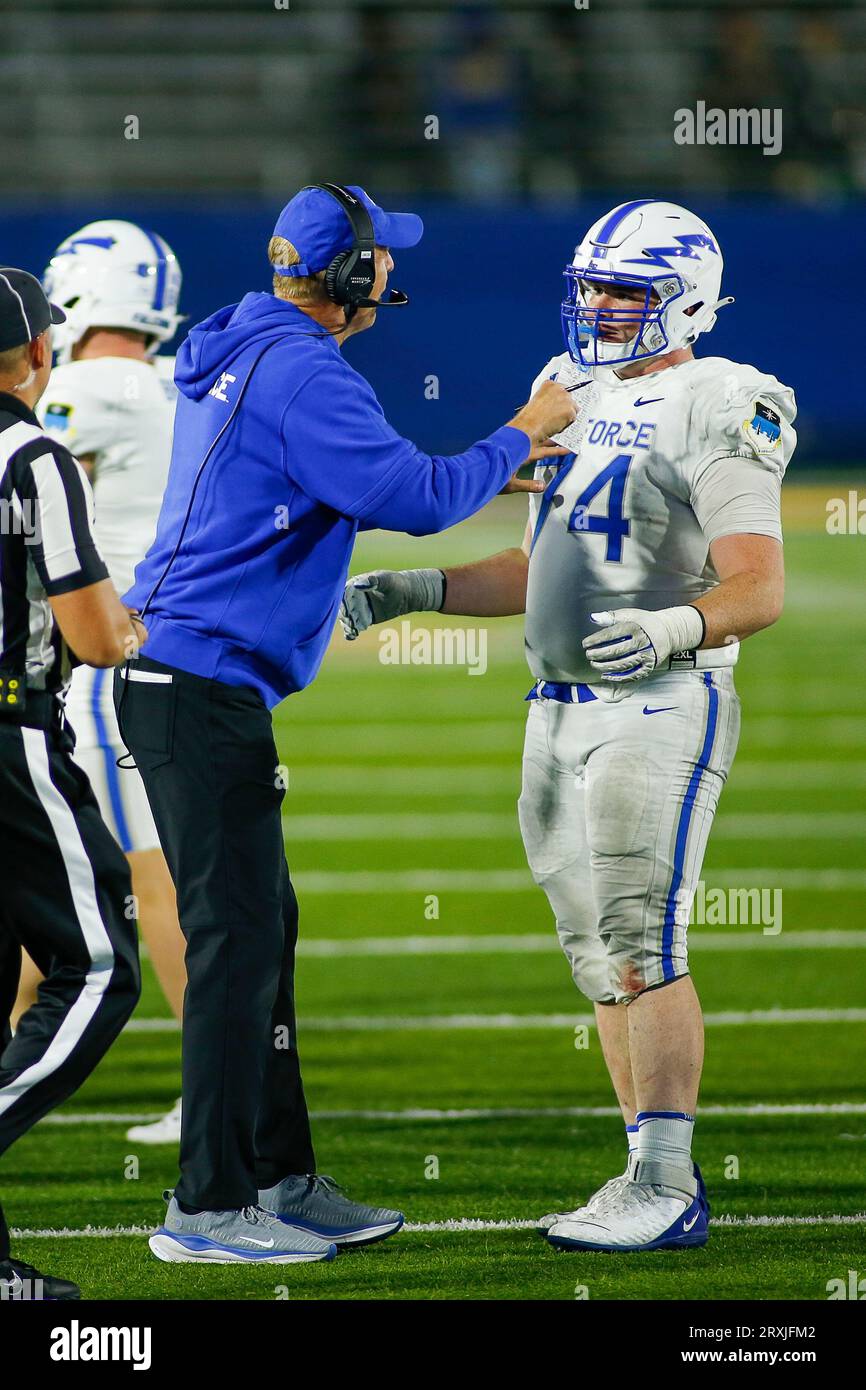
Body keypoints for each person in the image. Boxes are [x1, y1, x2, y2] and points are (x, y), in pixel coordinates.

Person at [116, 182, 575, 1265]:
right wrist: (520, 430)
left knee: (262, 935)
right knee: (236, 949)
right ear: (349, 277)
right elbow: (407, 493)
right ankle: (206, 1207)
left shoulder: (249, 343)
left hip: (192, 681)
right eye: (375, 258)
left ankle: (279, 1174)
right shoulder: (301, 368)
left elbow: (363, 480)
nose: (386, 273)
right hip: (198, 686)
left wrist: (503, 462)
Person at [340, 198, 797, 1254]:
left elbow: (757, 585)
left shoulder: (722, 398)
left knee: (643, 940)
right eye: (589, 286)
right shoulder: (571, 387)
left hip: (657, 706)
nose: (596, 306)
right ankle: (636, 1165)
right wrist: (420, 587)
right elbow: (541, 567)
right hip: (552, 710)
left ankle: (668, 1179)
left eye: (623, 291)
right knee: (595, 953)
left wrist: (678, 623)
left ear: (681, 300)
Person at [10, 222, 188, 1149]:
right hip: (155, 657)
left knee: (147, 886)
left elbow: (33, 521)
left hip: (95, 671)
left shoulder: (80, 392)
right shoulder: (167, 385)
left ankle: (214, 1085)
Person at [0, 268, 144, 1299]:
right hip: (8, 732)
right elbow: (95, 637)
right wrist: (140, 624)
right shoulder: (32, 454)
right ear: (39, 352)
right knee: (96, 965)